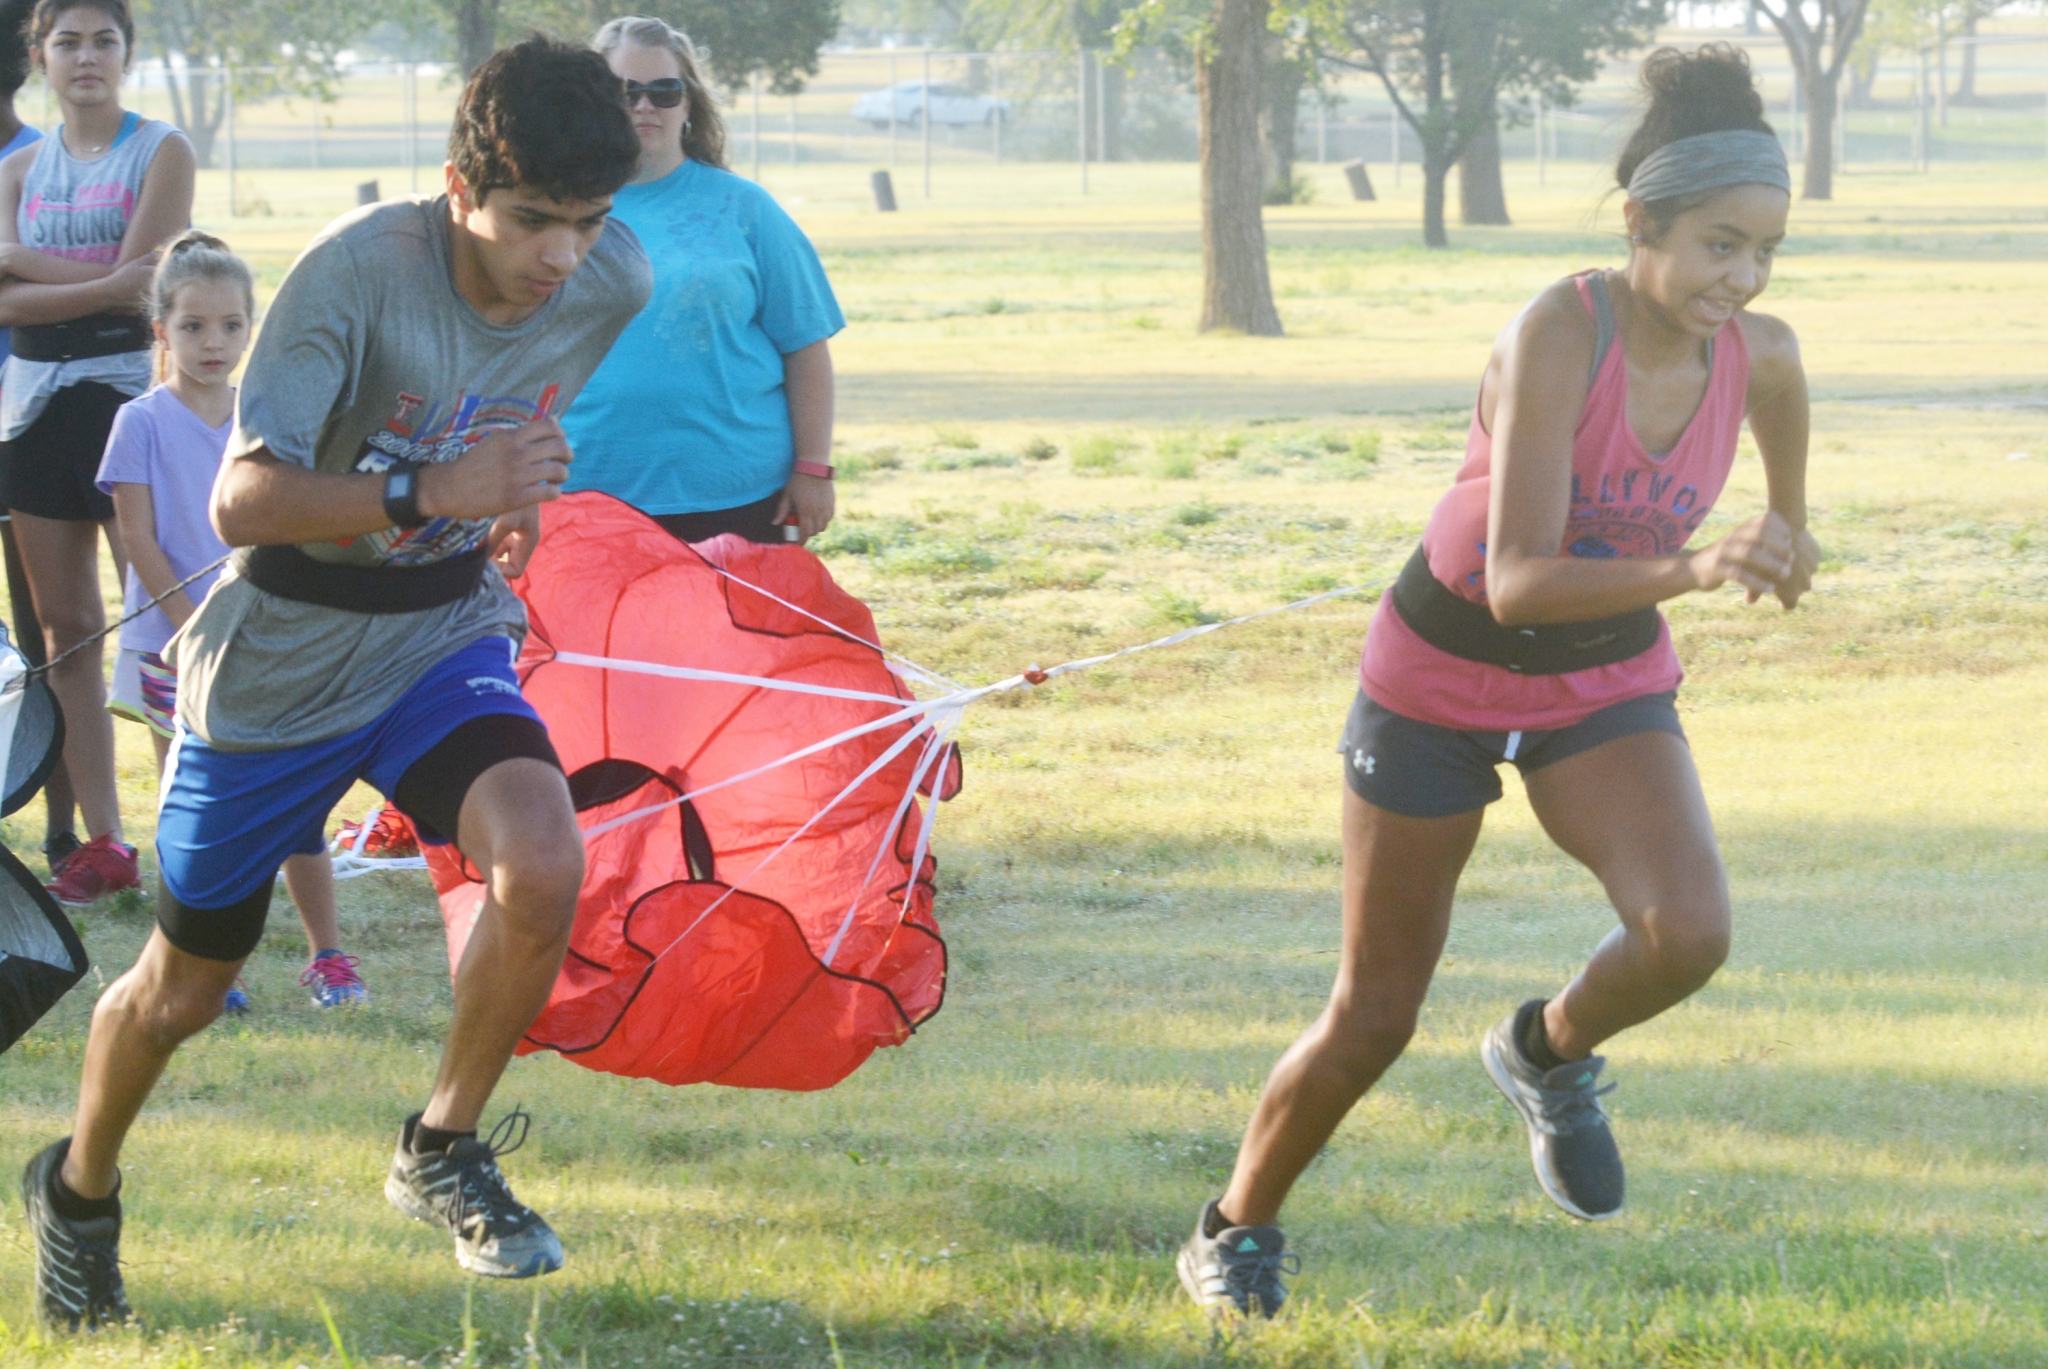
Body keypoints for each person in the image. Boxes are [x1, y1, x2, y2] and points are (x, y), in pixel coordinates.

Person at [1175, 44, 1822, 1319]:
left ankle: (1544, 1051)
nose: (1736, 280)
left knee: (1685, 932)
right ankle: (1232, 1228)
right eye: (1713, 245)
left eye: (1761, 253)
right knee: (1374, 1011)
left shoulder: (1764, 351)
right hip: (1440, 677)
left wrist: (1786, 536)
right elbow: (1516, 578)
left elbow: (1782, 458)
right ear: (1641, 223)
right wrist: (1697, 562)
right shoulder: (1555, 328)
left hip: (1600, 677)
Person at [21, 36, 649, 1328]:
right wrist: (435, 488)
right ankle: (77, 1189)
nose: (560, 257)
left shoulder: (610, 278)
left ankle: (442, 1144)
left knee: (544, 858)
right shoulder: (352, 277)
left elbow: (518, 394)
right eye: (533, 219)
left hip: (439, 633)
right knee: (183, 988)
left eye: (586, 222)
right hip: (282, 658)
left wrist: (521, 472)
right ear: (457, 184)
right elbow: (239, 497)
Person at [95, 230, 367, 1012]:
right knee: (195, 806)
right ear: (162, 332)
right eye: (192, 326)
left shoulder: (271, 418)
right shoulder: (139, 423)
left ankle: (329, 955)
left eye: (230, 326)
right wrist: (187, 622)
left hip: (268, 637)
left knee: (298, 802)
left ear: (254, 329)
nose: (212, 343)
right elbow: (137, 537)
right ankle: (215, 976)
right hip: (169, 647)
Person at [0, 0, 195, 907]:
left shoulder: (161, 149)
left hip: (130, 403)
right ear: (40, 55)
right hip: (34, 410)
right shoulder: (21, 167)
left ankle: (189, 827)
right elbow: (7, 305)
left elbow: (151, 283)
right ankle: (105, 842)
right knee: (67, 629)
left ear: (127, 53)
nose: (87, 56)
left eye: (104, 39)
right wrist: (111, 280)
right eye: (67, 41)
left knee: (160, 622)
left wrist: (34, 268)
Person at [567, 15, 842, 544]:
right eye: (625, 91)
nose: (644, 105)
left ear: (688, 103)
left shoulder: (746, 208)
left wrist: (813, 469)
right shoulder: (557, 210)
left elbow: (806, 348)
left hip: (739, 496)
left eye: (664, 91)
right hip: (586, 494)